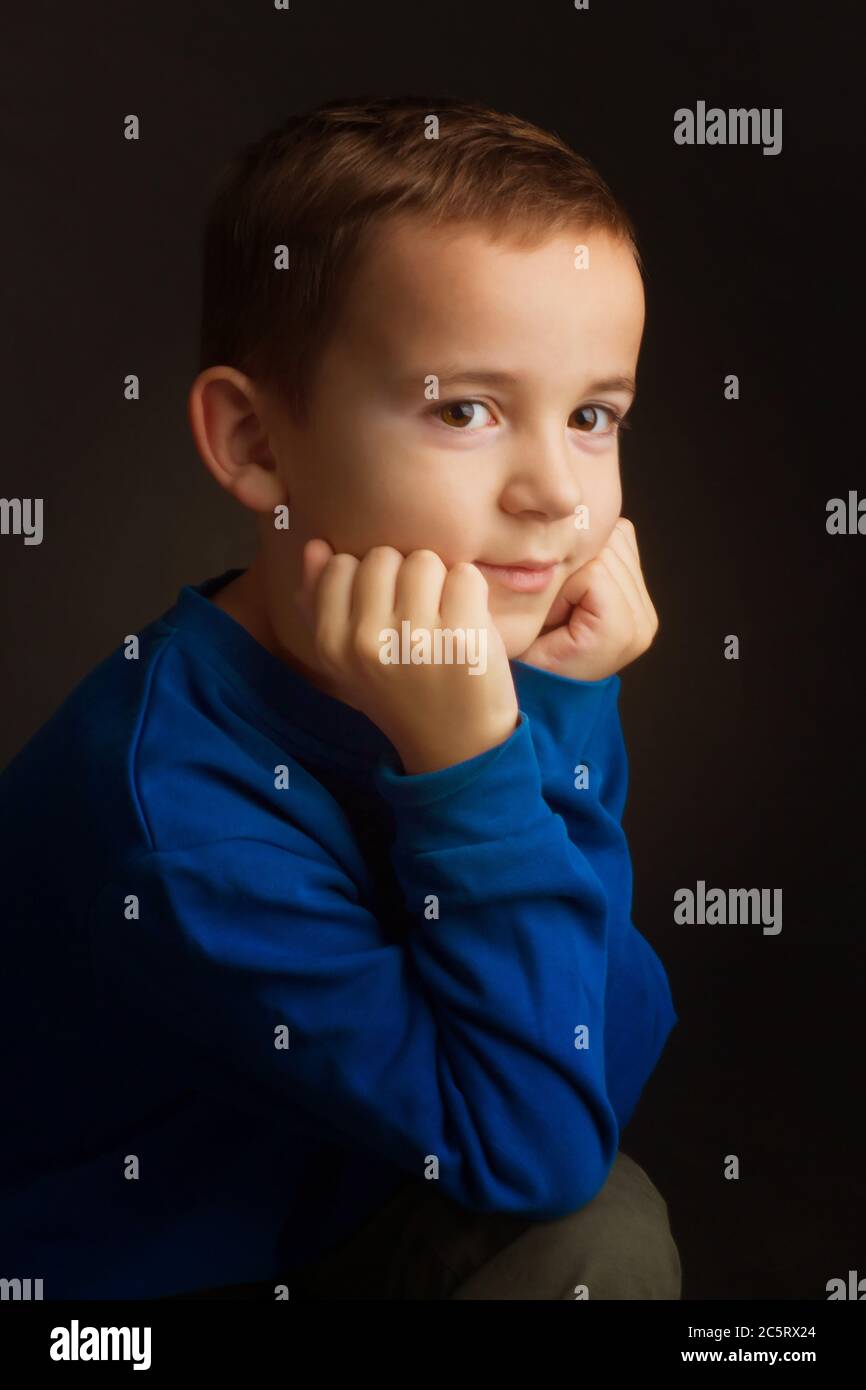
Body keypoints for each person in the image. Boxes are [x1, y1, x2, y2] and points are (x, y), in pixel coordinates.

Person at [0, 94, 680, 1300]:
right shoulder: (174, 810)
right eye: (462, 409)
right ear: (257, 444)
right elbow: (534, 1143)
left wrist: (557, 708)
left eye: (591, 416)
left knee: (597, 1237)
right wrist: (481, 763)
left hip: (356, 1191)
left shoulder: (484, 678)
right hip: (133, 1298)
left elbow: (597, 1064)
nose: (553, 496)